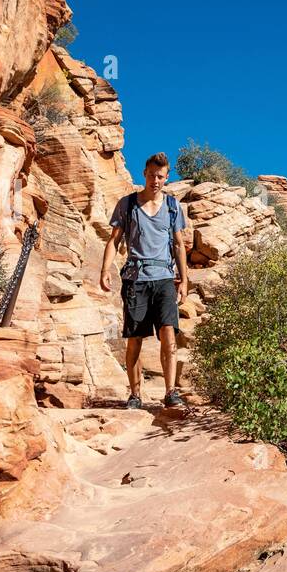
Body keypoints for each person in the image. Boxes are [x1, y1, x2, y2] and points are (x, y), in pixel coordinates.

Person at [98, 152, 189, 409]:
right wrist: (105, 269)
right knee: (135, 337)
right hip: (135, 278)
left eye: (160, 176)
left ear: (167, 177)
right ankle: (135, 395)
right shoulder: (127, 205)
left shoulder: (172, 207)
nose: (155, 180)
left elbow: (179, 245)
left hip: (164, 278)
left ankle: (171, 392)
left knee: (168, 332)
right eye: (151, 175)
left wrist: (184, 280)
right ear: (144, 174)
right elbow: (115, 240)